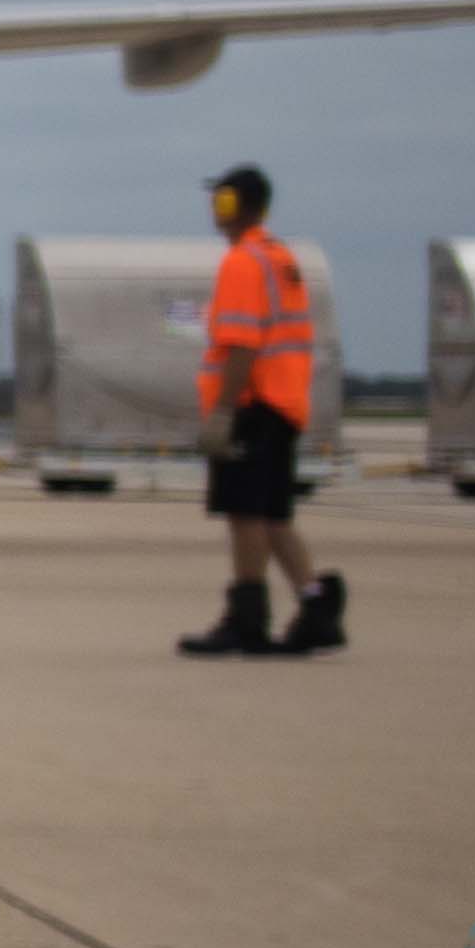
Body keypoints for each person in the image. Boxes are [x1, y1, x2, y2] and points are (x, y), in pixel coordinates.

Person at [188, 162, 345, 659]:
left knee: (245, 514)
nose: (215, 210)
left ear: (235, 205)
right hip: (284, 405)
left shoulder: (242, 262)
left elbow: (240, 344)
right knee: (276, 516)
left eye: (220, 200)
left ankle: (247, 617)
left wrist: (224, 413)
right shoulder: (280, 259)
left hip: (253, 407)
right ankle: (315, 604)